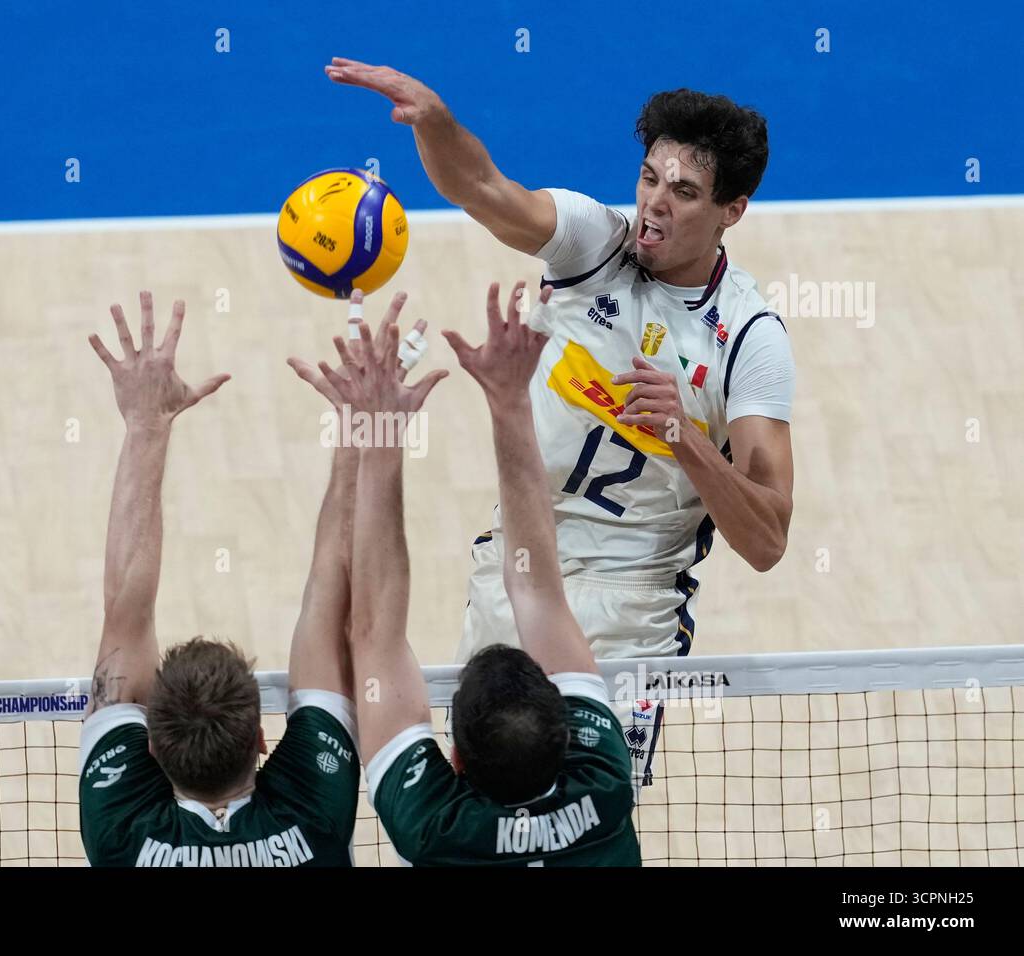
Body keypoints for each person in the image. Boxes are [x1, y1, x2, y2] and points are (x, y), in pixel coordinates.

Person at [327, 61, 795, 785]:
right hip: (512, 574)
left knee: (581, 824)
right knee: (478, 809)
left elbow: (767, 539)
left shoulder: (749, 337)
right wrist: (434, 120)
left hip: (629, 607)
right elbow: (482, 187)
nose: (654, 206)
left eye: (684, 192)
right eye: (648, 179)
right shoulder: (594, 244)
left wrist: (688, 440)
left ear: (734, 208)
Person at [309, 280, 637, 865]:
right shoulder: (605, 789)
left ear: (454, 761)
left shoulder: (435, 828)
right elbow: (536, 592)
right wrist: (510, 401)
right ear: (565, 735)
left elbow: (375, 631)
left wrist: (381, 431)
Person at [77, 292, 363, 867]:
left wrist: (146, 425)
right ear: (261, 740)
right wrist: (360, 427)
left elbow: (123, 610)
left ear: (151, 748)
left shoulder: (120, 834)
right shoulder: (316, 813)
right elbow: (331, 599)